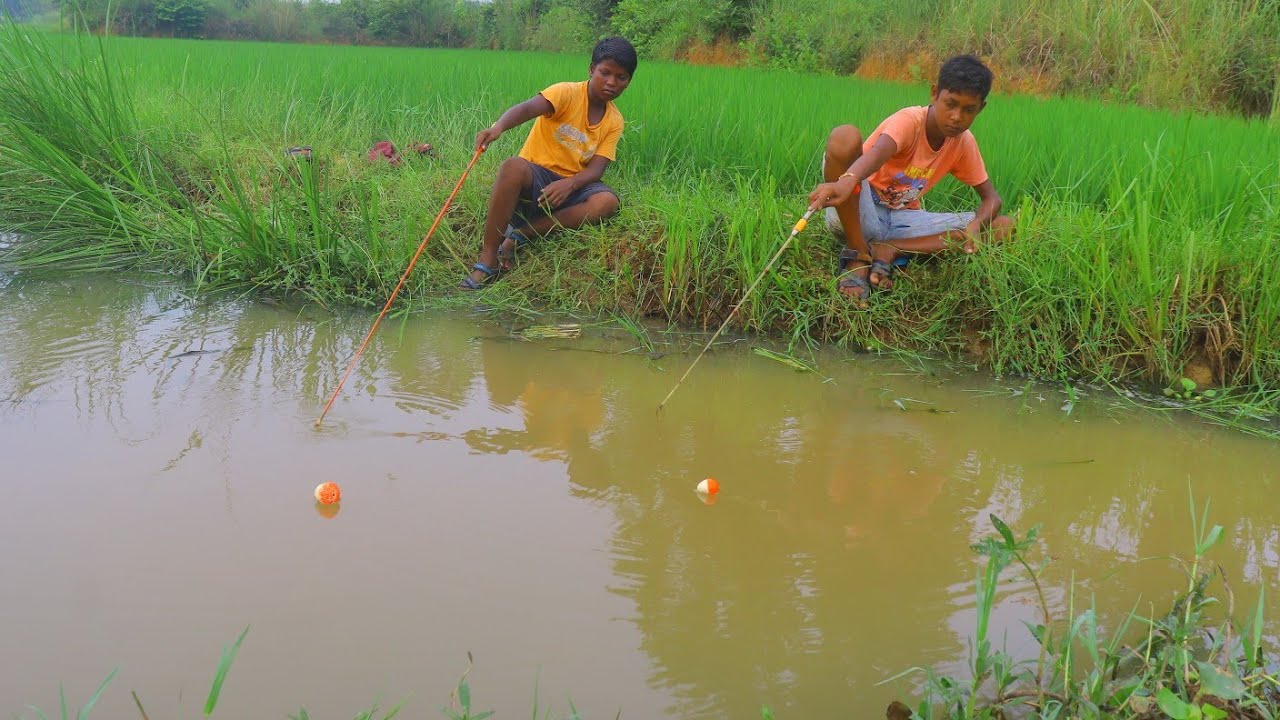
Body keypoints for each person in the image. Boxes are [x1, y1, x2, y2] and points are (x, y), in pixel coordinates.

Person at [807, 54, 1013, 305]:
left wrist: (977, 224)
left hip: (902, 220)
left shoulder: (963, 143)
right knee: (844, 136)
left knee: (1003, 226)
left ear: (981, 108)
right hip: (860, 209)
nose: (957, 116)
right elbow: (879, 152)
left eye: (968, 109)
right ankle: (858, 253)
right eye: (951, 104)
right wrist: (848, 180)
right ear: (935, 93)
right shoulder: (910, 121)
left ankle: (892, 248)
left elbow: (991, 198)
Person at [459, 36, 637, 290]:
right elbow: (527, 108)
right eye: (605, 72)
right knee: (512, 166)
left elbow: (597, 169)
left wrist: (570, 184)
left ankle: (522, 235)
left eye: (621, 77)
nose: (611, 82)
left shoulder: (614, 121)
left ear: (628, 81)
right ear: (591, 70)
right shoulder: (566, 93)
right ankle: (489, 258)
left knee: (607, 202)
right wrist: (498, 127)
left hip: (571, 187)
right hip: (537, 177)